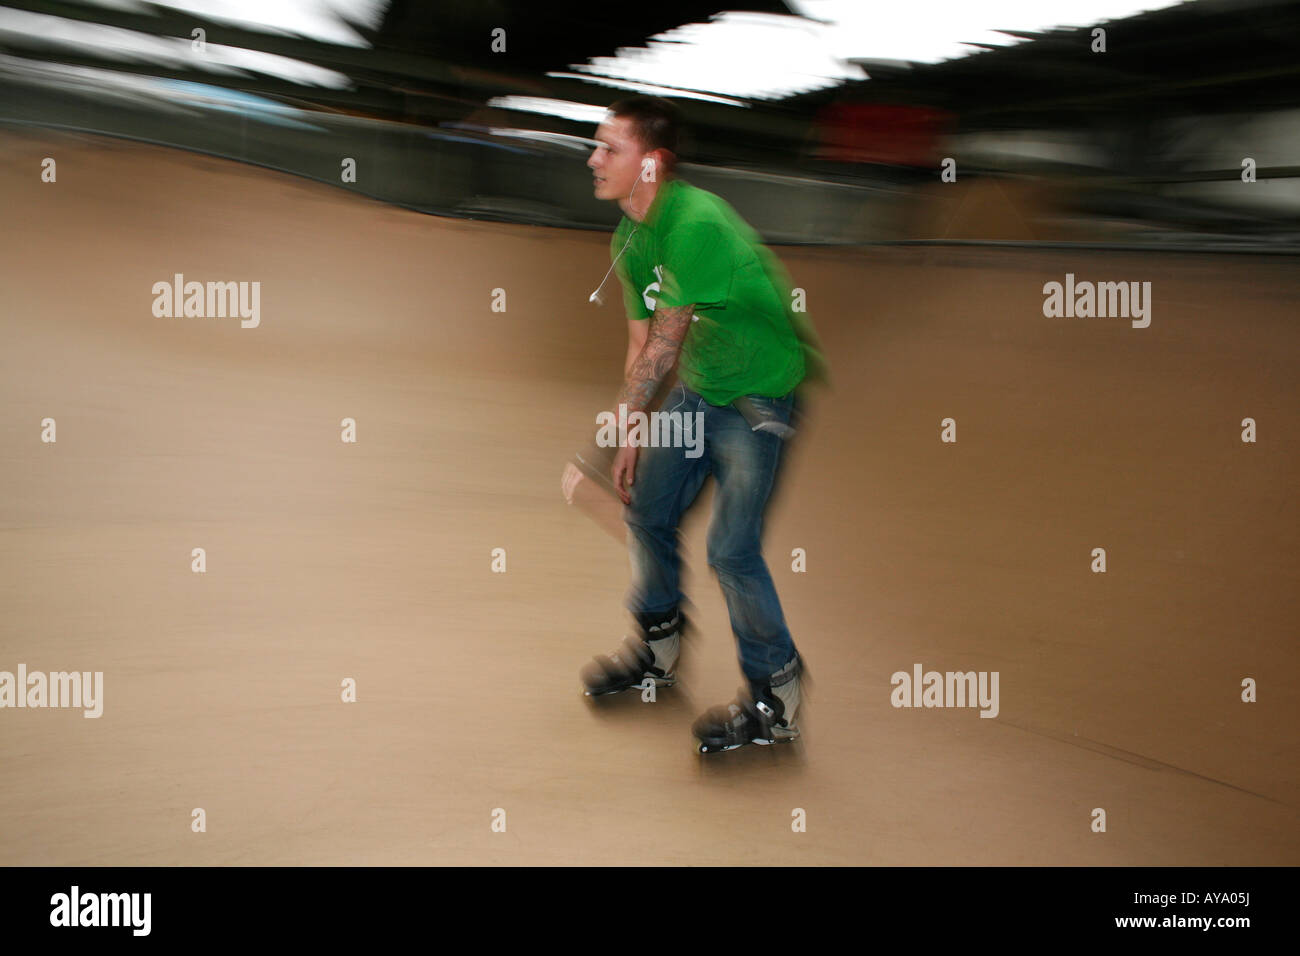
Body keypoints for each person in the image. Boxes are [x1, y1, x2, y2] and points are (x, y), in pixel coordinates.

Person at [575, 95, 828, 754]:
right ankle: (659, 649)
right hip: (700, 390)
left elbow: (665, 342)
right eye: (595, 145)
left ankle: (777, 697)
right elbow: (641, 346)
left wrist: (608, 435)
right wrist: (632, 434)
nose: (593, 158)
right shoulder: (627, 235)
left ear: (651, 164)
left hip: (760, 401)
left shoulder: (695, 224)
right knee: (647, 514)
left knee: (731, 551)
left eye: (610, 148)